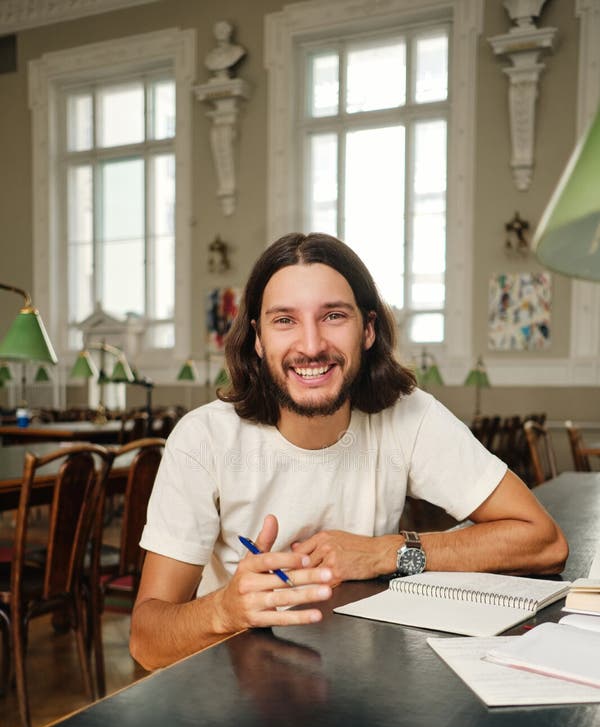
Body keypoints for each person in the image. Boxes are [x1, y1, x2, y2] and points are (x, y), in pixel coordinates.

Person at [130, 232, 568, 670]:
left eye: (334, 316)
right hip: (236, 698)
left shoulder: (408, 416)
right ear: (258, 340)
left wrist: (385, 551)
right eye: (284, 320)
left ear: (369, 329)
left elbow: (544, 542)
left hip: (365, 684)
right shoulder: (203, 439)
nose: (312, 345)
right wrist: (224, 609)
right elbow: (147, 640)